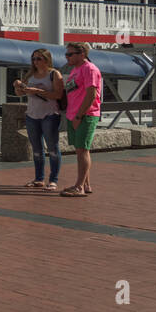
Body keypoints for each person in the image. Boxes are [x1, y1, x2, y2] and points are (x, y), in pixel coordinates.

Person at [12, 49, 63, 190]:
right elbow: (20, 93)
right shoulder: (30, 74)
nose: (36, 62)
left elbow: (58, 95)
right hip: (32, 115)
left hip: (50, 114)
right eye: (34, 59)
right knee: (36, 149)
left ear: (47, 60)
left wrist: (38, 92)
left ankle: (53, 180)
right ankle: (39, 178)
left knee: (52, 148)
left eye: (39, 59)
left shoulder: (54, 74)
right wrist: (17, 86)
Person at [61, 42, 102, 197]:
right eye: (66, 54)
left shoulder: (90, 69)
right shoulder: (75, 70)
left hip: (85, 115)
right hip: (74, 114)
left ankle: (79, 187)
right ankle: (86, 183)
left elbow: (91, 94)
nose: (67, 57)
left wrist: (79, 115)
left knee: (82, 150)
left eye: (70, 54)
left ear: (82, 54)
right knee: (81, 150)